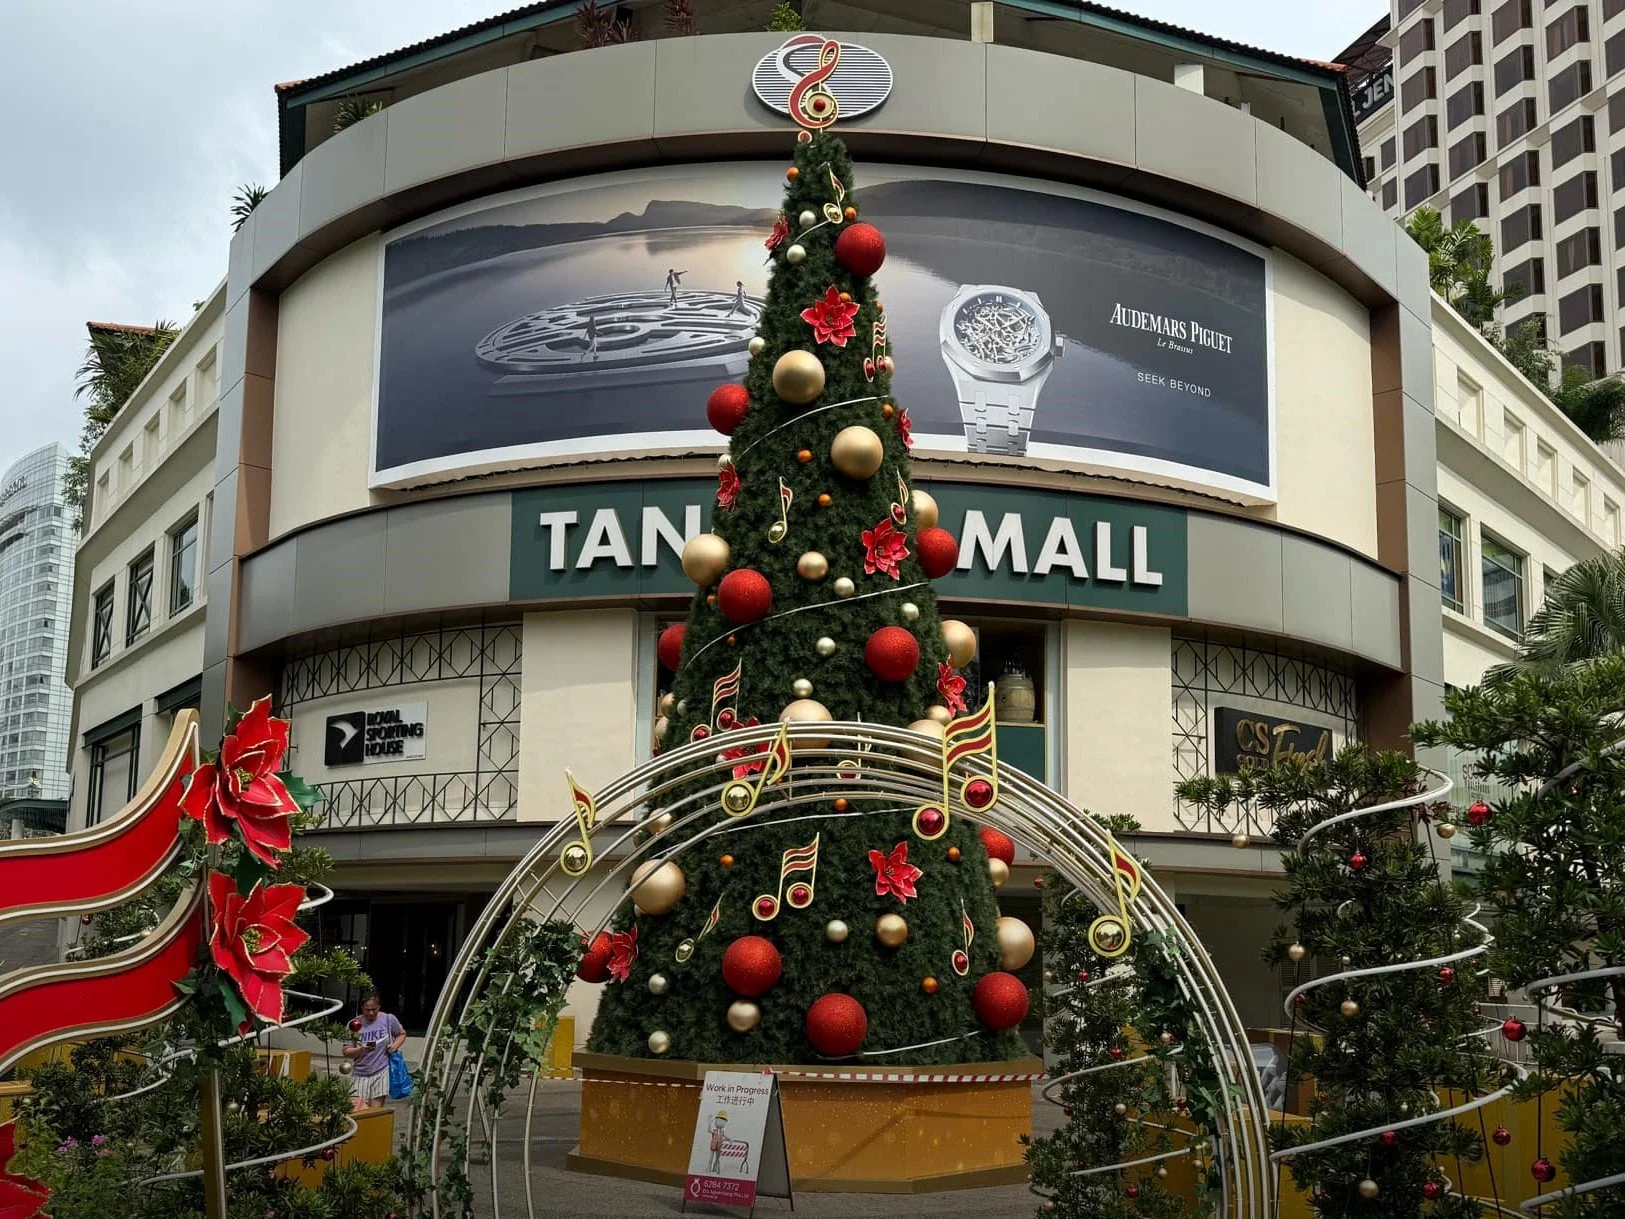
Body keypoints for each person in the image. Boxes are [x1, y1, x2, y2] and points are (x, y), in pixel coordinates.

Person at [344, 990, 406, 1110]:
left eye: (375, 1009)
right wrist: (361, 1050)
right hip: (360, 1073)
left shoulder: (388, 1019)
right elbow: (346, 1052)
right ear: (362, 1008)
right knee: (356, 1111)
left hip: (381, 1071)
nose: (371, 1013)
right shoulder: (354, 1024)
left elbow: (401, 1034)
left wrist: (394, 1046)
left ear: (379, 1007)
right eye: (368, 1010)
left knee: (375, 1112)